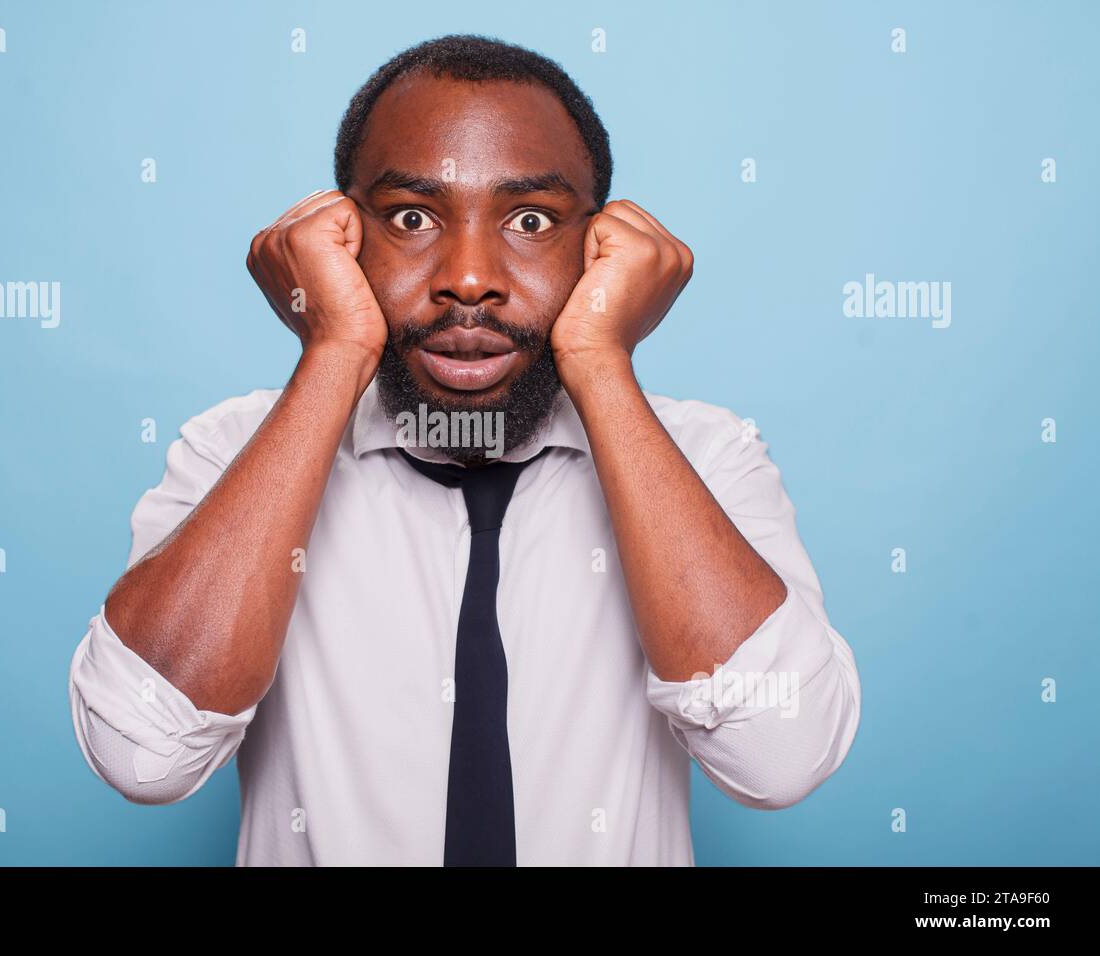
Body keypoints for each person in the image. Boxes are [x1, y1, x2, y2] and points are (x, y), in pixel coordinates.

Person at [67, 33, 861, 866]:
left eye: (530, 220)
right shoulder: (234, 448)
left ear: (600, 251)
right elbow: (143, 754)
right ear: (339, 238)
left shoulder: (706, 454)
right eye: (413, 218)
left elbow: (781, 756)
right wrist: (333, 353)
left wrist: (600, 360)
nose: (470, 277)